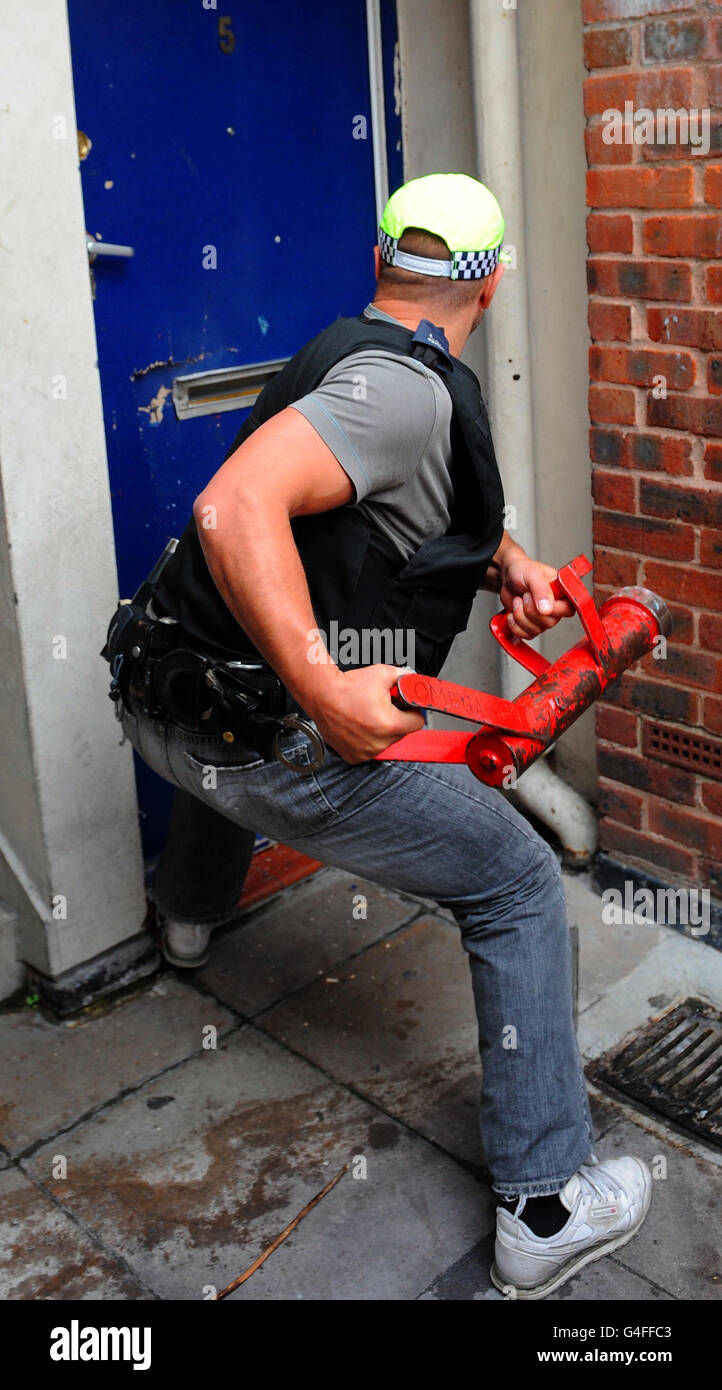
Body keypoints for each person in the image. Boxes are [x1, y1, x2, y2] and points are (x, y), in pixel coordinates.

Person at [112, 173, 652, 1298]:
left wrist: (509, 565)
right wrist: (319, 681)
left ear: (382, 263)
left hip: (161, 704)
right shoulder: (399, 392)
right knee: (510, 876)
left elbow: (404, 491)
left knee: (227, 752)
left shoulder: (356, 353)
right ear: (489, 280)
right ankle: (544, 1205)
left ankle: (190, 926)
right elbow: (231, 507)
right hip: (274, 739)